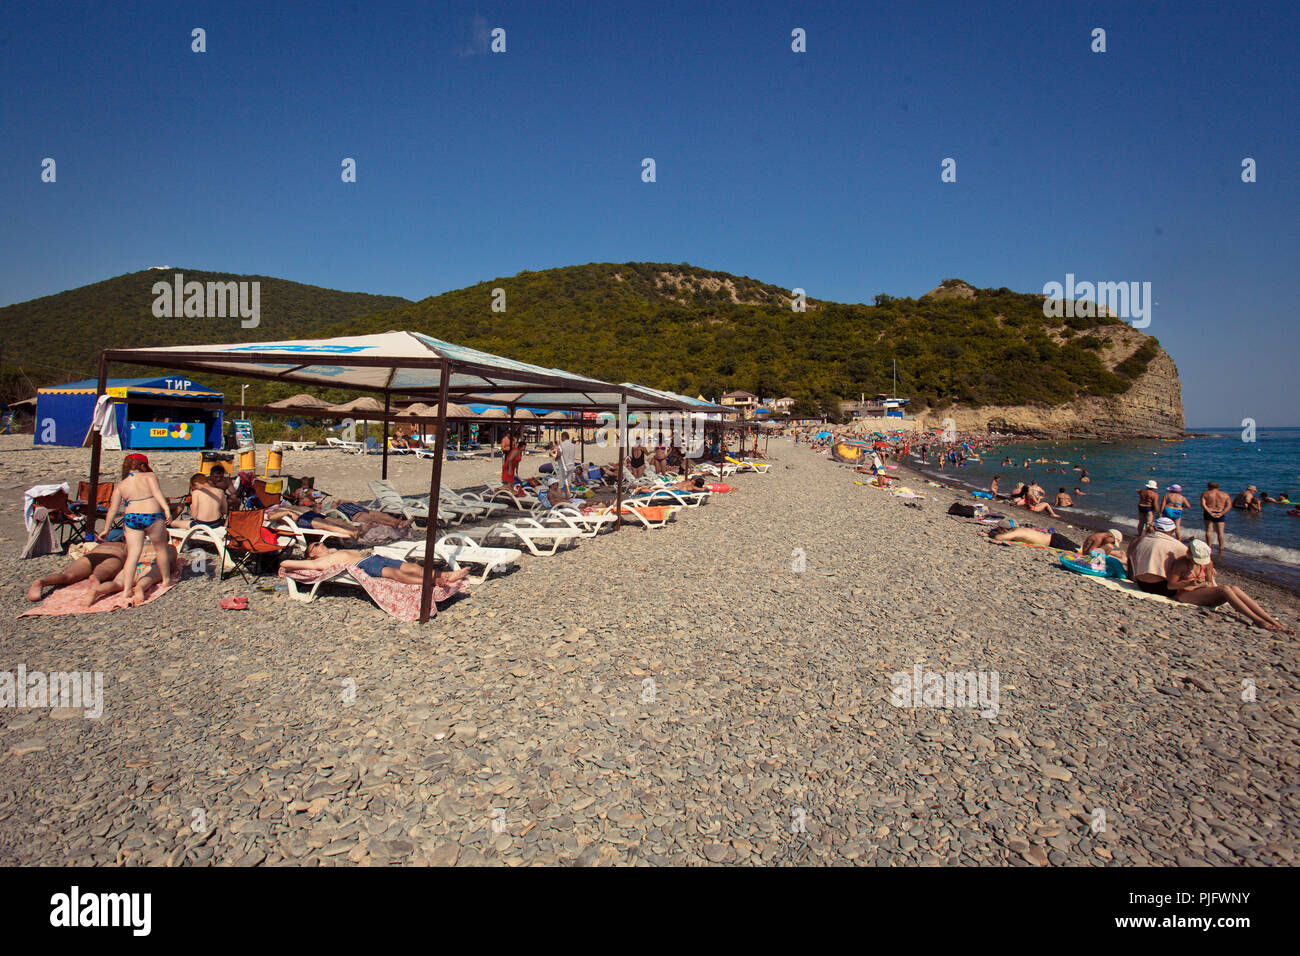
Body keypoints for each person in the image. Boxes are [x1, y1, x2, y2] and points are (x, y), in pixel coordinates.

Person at [1166, 540, 1293, 632]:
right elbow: (1171, 586)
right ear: (1189, 554)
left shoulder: (1208, 563)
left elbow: (1210, 582)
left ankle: (1273, 621)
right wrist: (1189, 583)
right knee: (1225, 589)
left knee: (1234, 588)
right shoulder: (1181, 563)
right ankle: (1257, 620)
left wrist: (1205, 585)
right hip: (1186, 594)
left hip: (1202, 591)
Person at [103, 454, 175, 607]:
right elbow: (156, 493)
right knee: (160, 549)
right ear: (143, 465)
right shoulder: (149, 476)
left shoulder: (121, 485)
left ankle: (127, 590)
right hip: (152, 515)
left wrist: (106, 529)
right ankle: (166, 580)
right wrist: (166, 509)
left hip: (132, 518)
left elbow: (113, 510)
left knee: (133, 555)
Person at [281, 542, 470, 587]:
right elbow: (286, 562)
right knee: (397, 575)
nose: (320, 543)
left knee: (411, 567)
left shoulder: (334, 550)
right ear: (311, 553)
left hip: (373, 557)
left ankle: (440, 575)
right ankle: (438, 580)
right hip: (365, 566)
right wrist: (285, 562)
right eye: (315, 544)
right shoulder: (320, 561)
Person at [28, 540, 127, 602]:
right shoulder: (124, 545)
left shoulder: (100, 544)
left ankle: (42, 582)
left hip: (91, 555)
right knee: (102, 571)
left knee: (68, 575)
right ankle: (96, 577)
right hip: (114, 555)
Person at [1126, 516, 1187, 597]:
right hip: (1163, 588)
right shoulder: (1178, 546)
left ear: (1154, 527)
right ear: (1173, 530)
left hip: (1141, 584)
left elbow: (1129, 557)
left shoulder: (1140, 540)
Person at [988, 520, 1080, 552]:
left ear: (1004, 530)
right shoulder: (1018, 529)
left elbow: (998, 538)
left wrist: (993, 535)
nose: (997, 531)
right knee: (1080, 548)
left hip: (1054, 542)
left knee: (1081, 551)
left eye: (998, 529)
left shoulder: (1015, 533)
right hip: (1054, 537)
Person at [1201, 482, 1231, 552]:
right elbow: (1229, 506)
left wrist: (1210, 512)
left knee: (1209, 531)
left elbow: (1203, 504)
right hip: (1220, 513)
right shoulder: (1225, 494)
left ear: (1208, 486)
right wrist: (1222, 513)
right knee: (1220, 532)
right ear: (1218, 487)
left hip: (1209, 512)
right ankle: (1221, 547)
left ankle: (1209, 547)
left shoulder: (1205, 494)